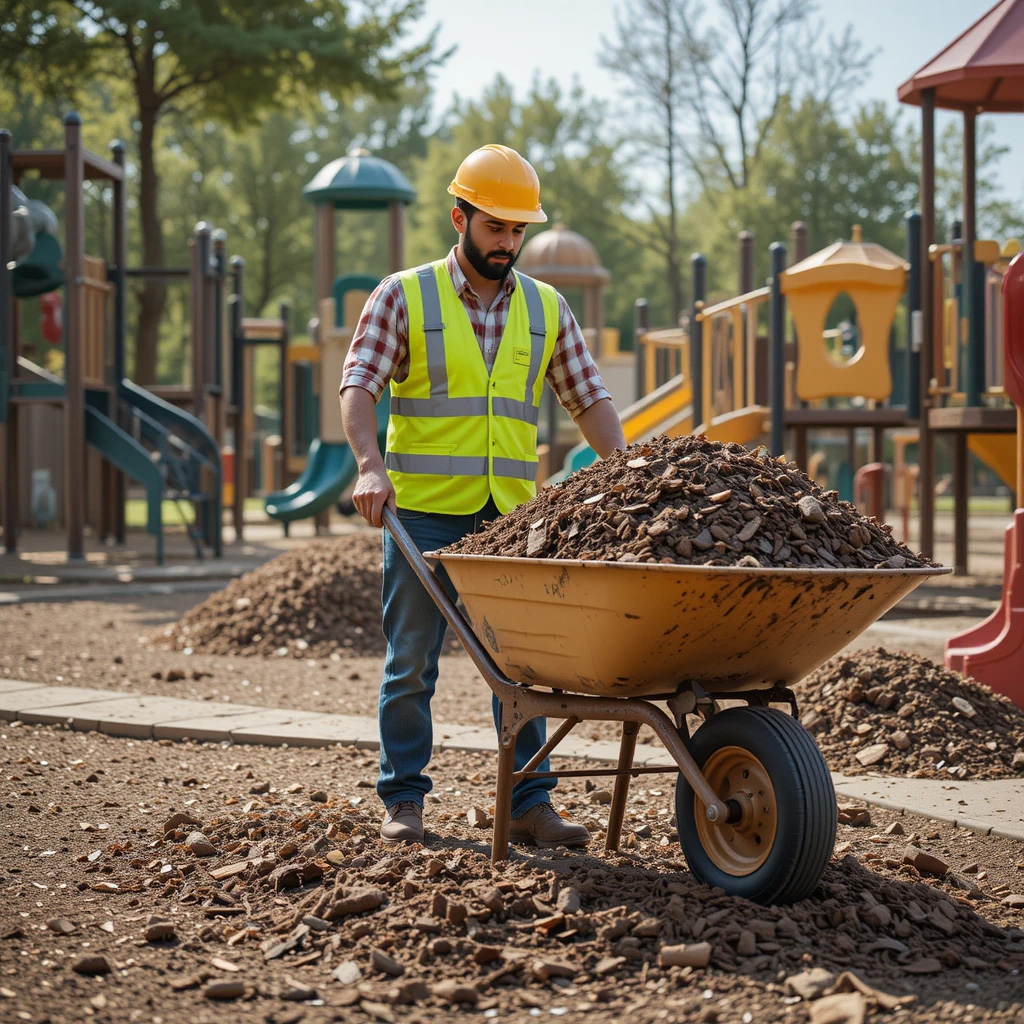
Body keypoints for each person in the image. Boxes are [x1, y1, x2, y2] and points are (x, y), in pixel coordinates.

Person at [340, 144, 626, 847]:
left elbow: (588, 398)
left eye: (518, 230)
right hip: (425, 515)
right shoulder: (402, 295)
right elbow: (358, 386)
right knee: (411, 663)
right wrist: (369, 465)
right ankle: (403, 801)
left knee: (522, 665)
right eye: (495, 227)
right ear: (459, 217)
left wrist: (625, 471)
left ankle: (530, 804)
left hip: (511, 517)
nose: (507, 243)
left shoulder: (545, 307)